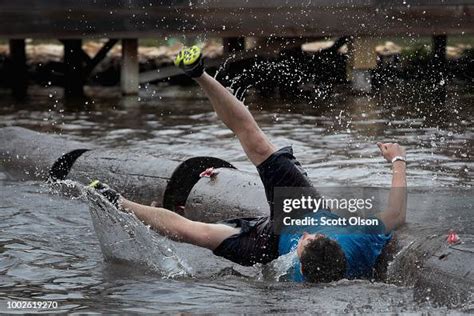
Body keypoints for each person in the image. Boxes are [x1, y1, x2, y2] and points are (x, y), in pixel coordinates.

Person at [89, 46, 407, 283]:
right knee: (254, 141)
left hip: (267, 243)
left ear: (300, 266)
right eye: (316, 236)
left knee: (198, 233)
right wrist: (398, 159)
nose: (308, 234)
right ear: (333, 239)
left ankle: (116, 202)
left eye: (306, 242)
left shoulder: (297, 277)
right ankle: (199, 73)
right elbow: (396, 213)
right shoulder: (361, 234)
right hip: (301, 204)